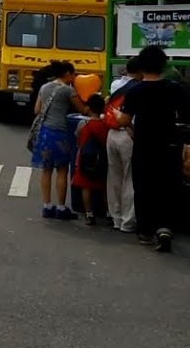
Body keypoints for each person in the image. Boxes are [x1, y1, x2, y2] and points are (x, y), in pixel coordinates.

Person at [117, 45, 190, 253]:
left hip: (144, 145)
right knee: (167, 187)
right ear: (163, 65)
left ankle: (145, 230)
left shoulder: (135, 90)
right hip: (170, 144)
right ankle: (165, 228)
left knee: (144, 188)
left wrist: (121, 119)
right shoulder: (174, 88)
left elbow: (125, 119)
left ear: (141, 66)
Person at [31, 60, 88, 220]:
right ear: (67, 74)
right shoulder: (68, 91)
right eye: (73, 74)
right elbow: (83, 109)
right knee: (62, 170)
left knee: (46, 170)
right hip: (60, 133)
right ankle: (61, 207)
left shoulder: (44, 87)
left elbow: (37, 110)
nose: (74, 77)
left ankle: (47, 206)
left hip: (44, 133)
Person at [104, 60, 142, 233]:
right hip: (129, 134)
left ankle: (115, 218)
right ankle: (128, 221)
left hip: (112, 134)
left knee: (114, 178)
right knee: (129, 179)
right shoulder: (139, 88)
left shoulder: (115, 85)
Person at [73, 94, 109, 226]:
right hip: (103, 158)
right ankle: (108, 212)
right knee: (105, 185)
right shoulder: (105, 124)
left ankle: (89, 213)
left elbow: (77, 137)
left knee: (85, 186)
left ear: (88, 107)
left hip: (85, 158)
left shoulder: (83, 123)